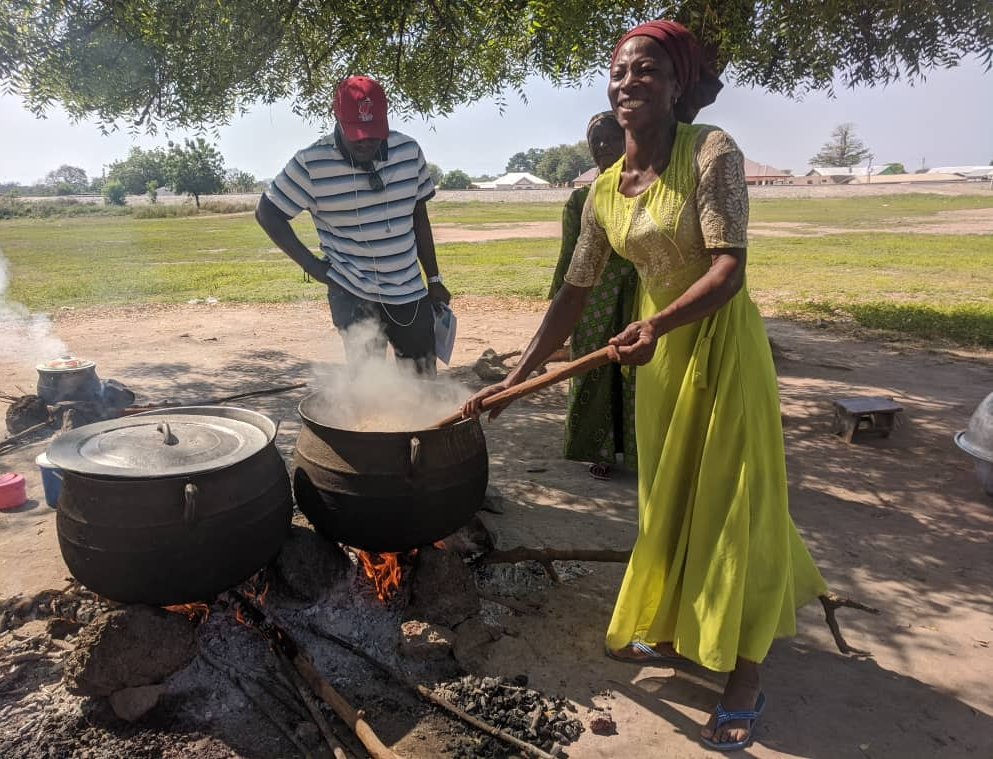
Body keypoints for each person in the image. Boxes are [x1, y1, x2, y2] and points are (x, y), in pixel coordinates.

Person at [463, 20, 828, 752]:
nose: (631, 81)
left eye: (649, 71)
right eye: (621, 71)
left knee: (733, 506)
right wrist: (516, 377)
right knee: (671, 499)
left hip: (719, 347)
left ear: (679, 85)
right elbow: (573, 293)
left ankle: (744, 674)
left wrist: (658, 326)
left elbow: (730, 267)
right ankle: (675, 630)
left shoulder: (711, 152)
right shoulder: (604, 189)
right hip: (660, 365)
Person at [255, 75, 449, 376]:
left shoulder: (408, 152)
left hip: (409, 291)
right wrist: (314, 267)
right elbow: (267, 212)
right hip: (352, 291)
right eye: (357, 134)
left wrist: (434, 279)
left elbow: (418, 217)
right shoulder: (311, 163)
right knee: (367, 386)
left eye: (373, 134)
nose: (366, 142)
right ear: (338, 119)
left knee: (423, 380)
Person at [549, 111, 638, 479]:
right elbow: (569, 255)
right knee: (593, 371)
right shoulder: (581, 200)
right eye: (595, 141)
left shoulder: (649, 190)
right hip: (592, 301)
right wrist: (558, 306)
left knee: (637, 374)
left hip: (638, 297)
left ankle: (638, 450)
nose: (602, 146)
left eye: (611, 138)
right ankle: (596, 450)